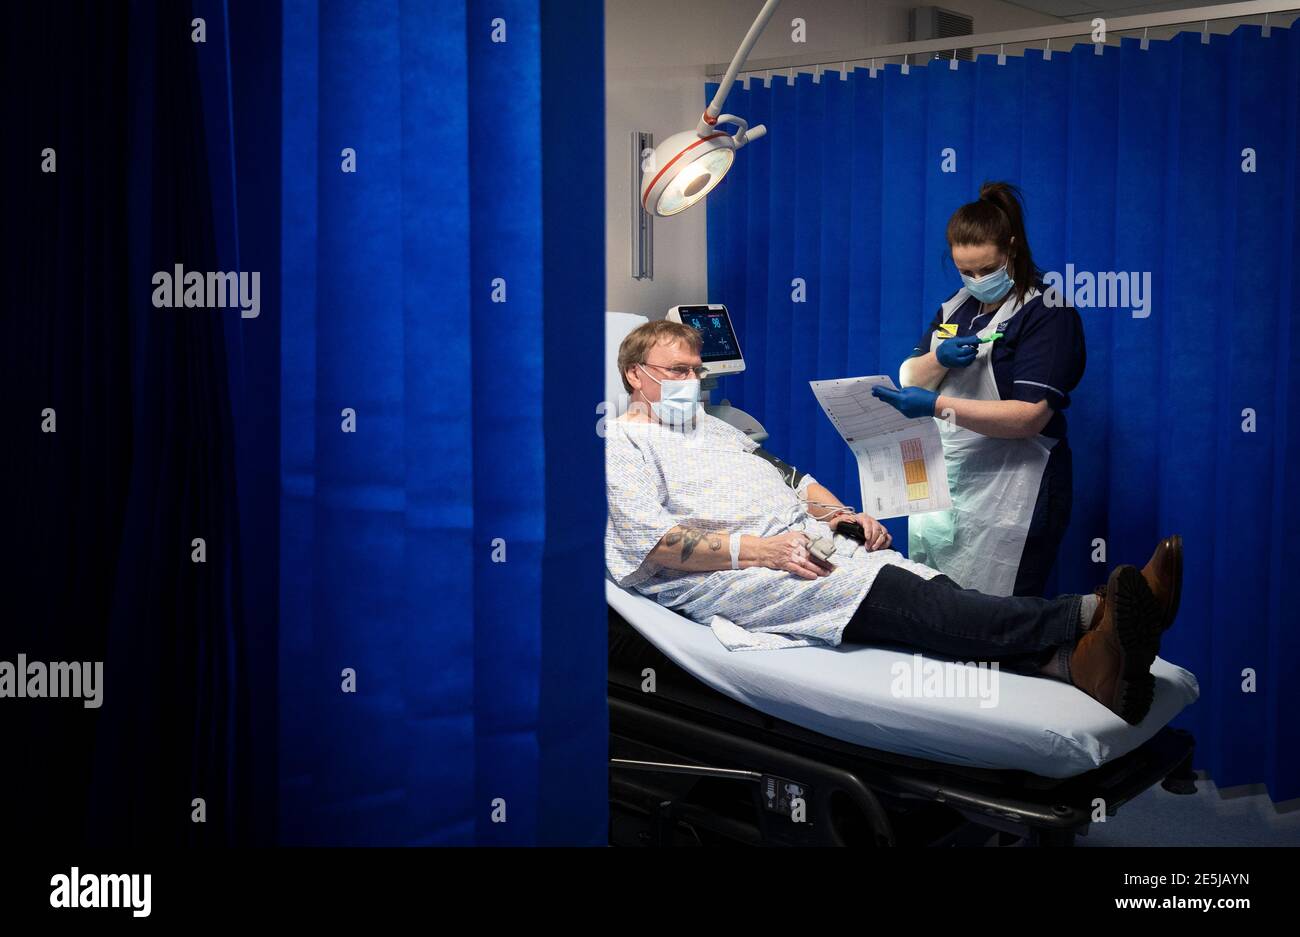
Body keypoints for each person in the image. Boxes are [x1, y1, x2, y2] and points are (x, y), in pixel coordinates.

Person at [606, 319, 1181, 725]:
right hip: (738, 571)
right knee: (912, 599)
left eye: (697, 370)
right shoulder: (624, 441)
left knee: (934, 593)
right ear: (636, 375)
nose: (693, 381)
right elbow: (653, 541)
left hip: (804, 544)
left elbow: (795, 481)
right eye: (678, 370)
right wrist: (764, 550)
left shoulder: (717, 428)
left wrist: (841, 514)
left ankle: (1075, 664)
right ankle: (1093, 612)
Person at [872, 182, 1085, 597]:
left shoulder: (1046, 311)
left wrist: (937, 405)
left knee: (999, 620)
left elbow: (1028, 417)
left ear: (1012, 248)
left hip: (1014, 490)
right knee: (937, 609)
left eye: (986, 270)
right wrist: (939, 360)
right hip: (949, 486)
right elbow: (912, 376)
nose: (975, 279)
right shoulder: (956, 306)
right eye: (965, 271)